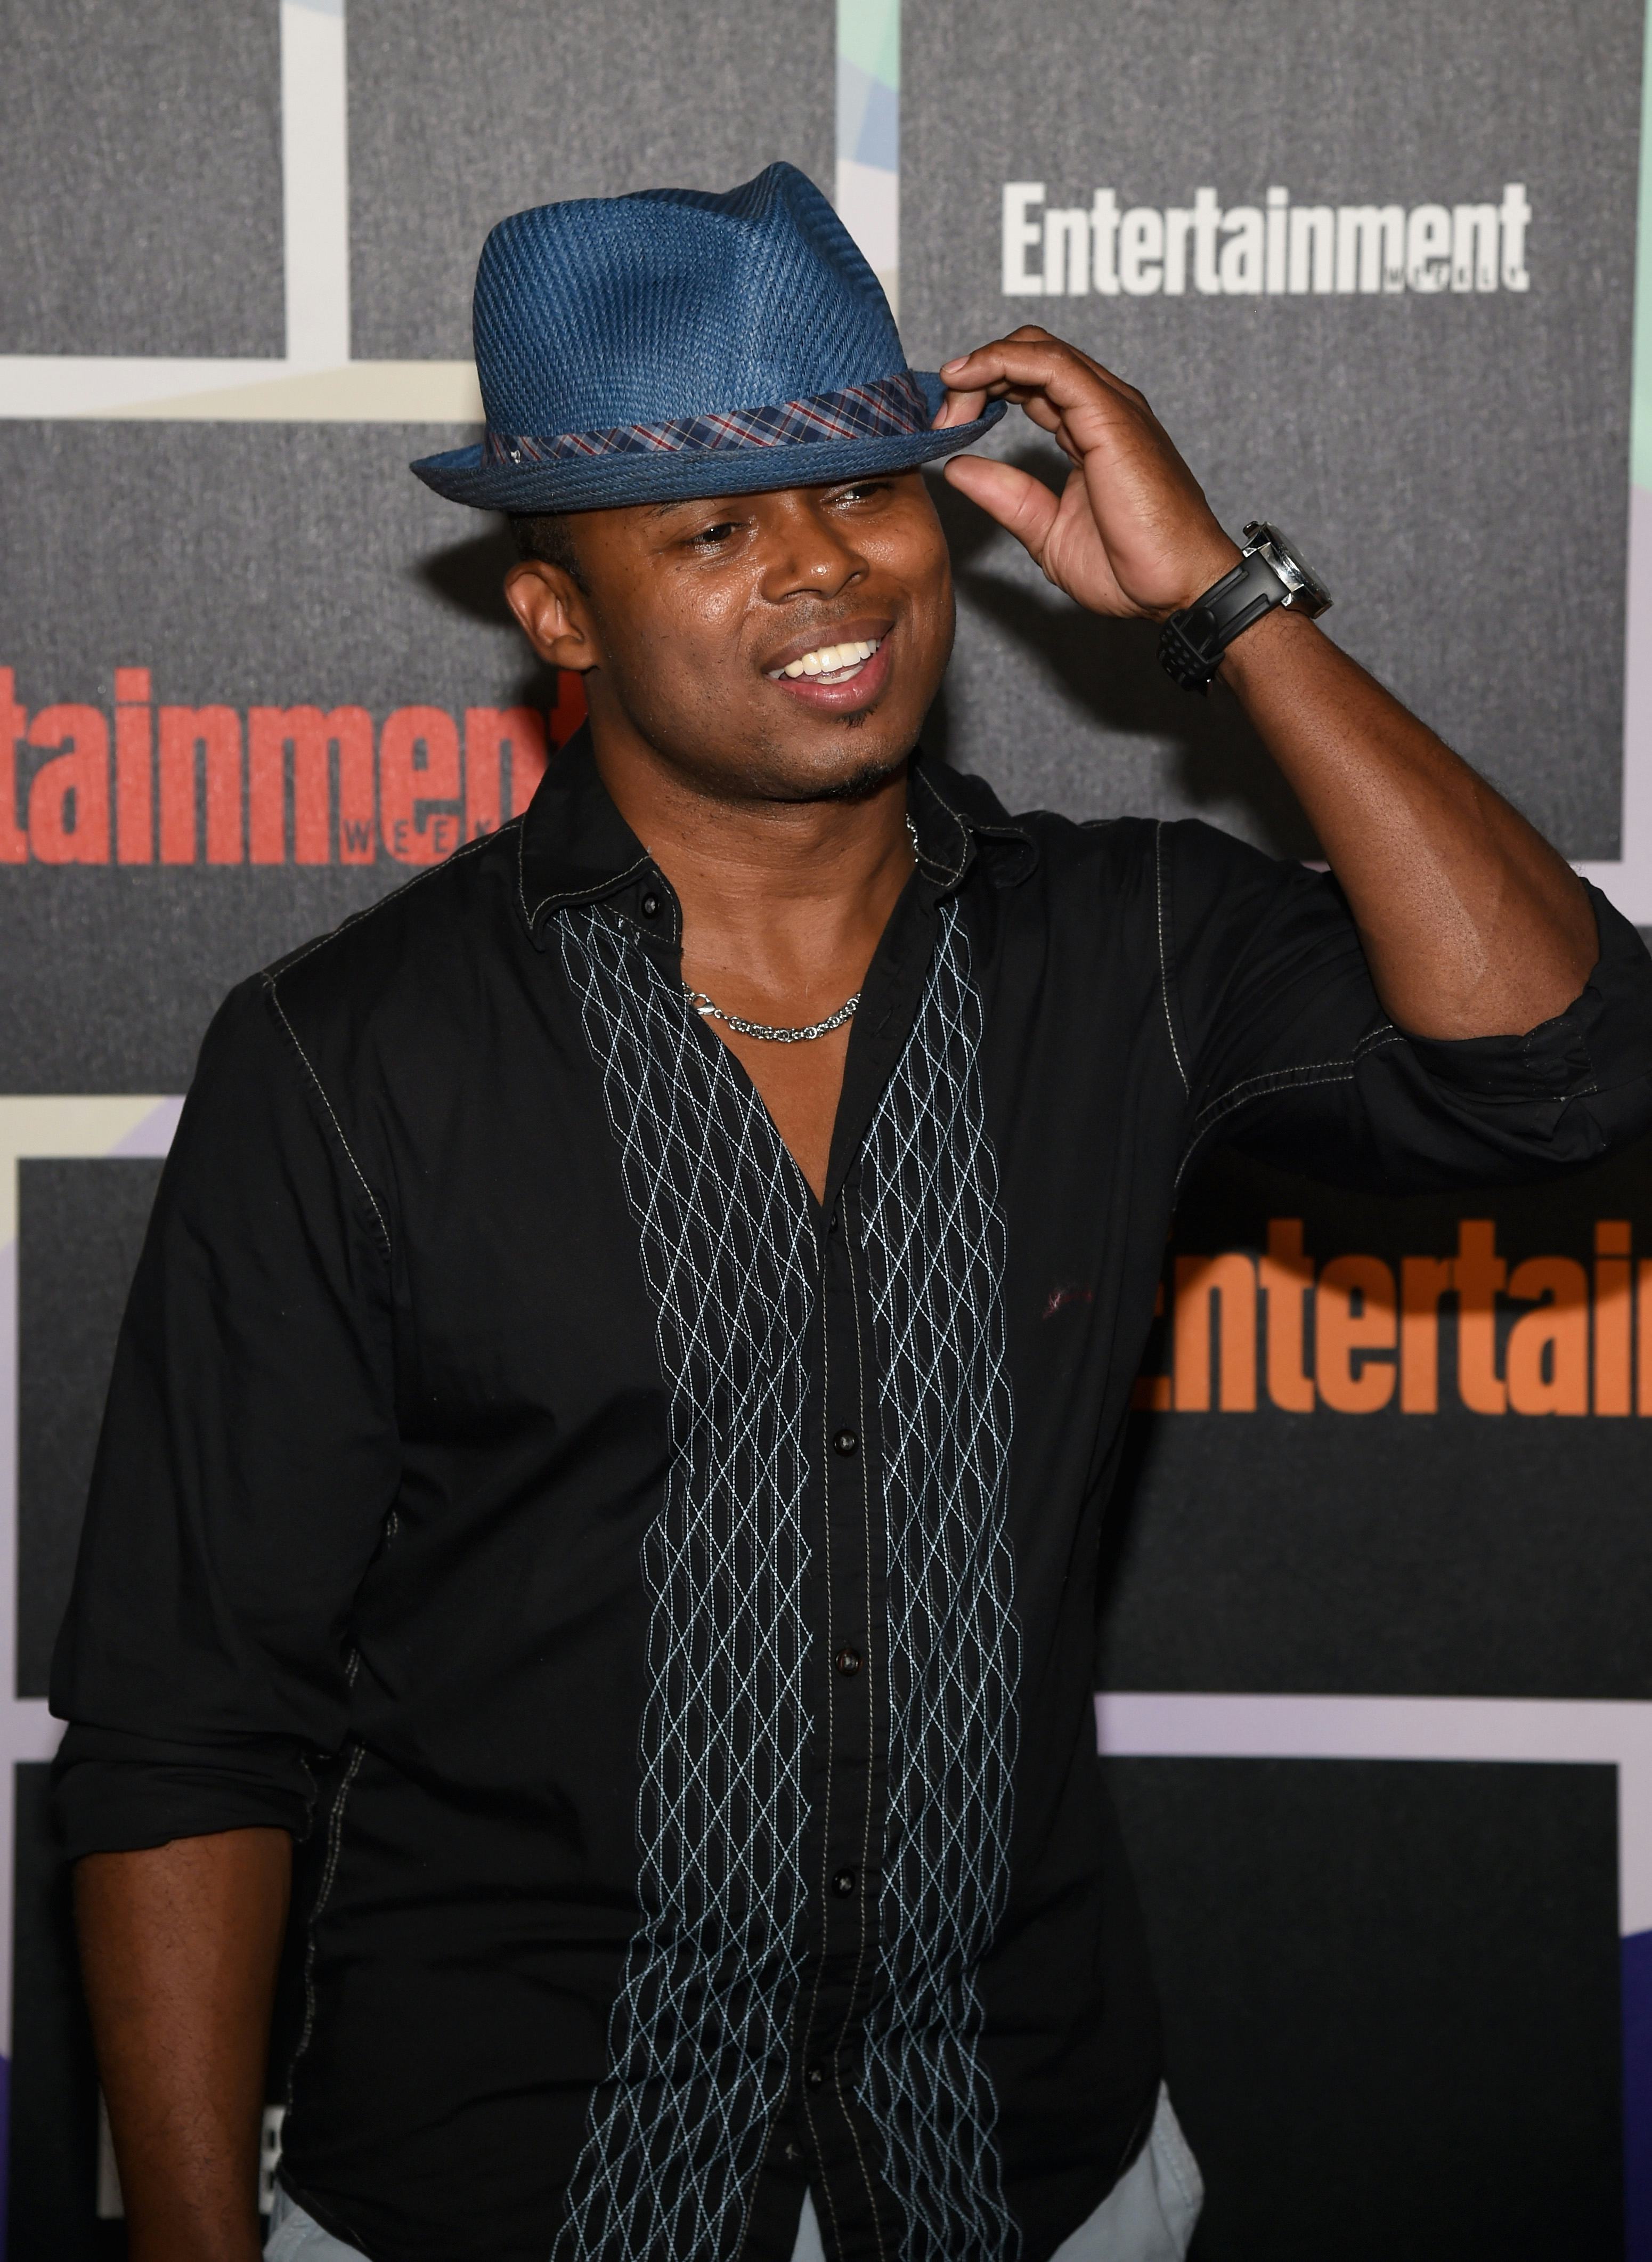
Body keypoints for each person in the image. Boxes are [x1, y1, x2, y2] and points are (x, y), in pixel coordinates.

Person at [53, 163, 1650, 2262]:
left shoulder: (1126, 950)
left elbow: (1561, 1070)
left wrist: (1222, 600)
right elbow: (186, 1730)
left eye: (865, 491)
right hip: (500, 2190)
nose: (825, 566)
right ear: (557, 615)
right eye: (711, 530)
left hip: (1015, 2175)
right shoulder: (349, 1057)